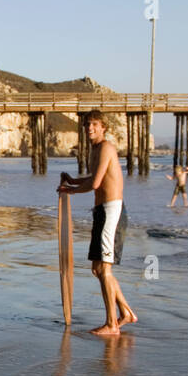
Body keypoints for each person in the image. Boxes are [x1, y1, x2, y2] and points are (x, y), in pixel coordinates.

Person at [58, 110, 137, 335]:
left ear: (103, 127)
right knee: (97, 269)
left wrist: (69, 190)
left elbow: (95, 184)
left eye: (94, 124)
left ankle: (112, 324)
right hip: (101, 211)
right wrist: (72, 181)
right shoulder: (95, 149)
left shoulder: (106, 148)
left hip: (112, 211)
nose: (89, 128)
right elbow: (94, 180)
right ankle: (127, 314)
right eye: (87, 124)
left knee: (104, 268)